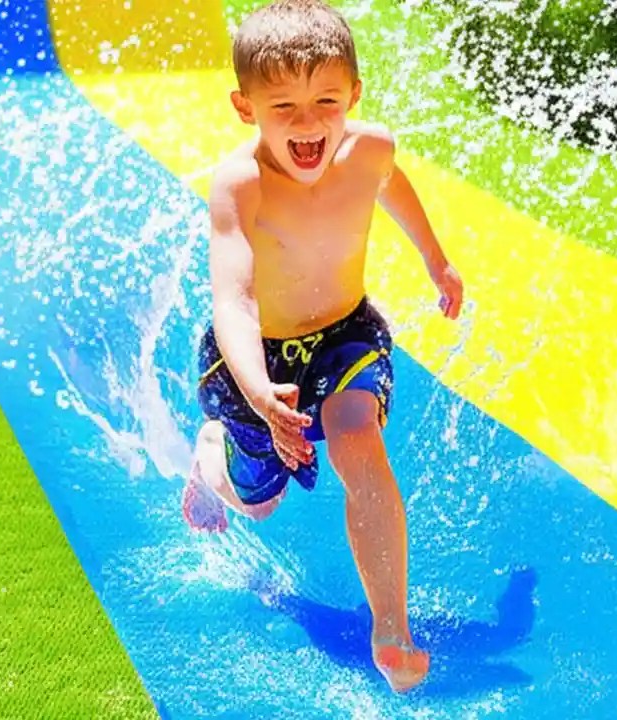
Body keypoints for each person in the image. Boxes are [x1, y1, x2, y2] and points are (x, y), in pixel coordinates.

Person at [179, 0, 463, 691]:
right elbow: (234, 303)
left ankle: (391, 625)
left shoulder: (370, 148)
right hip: (254, 360)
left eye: (325, 101)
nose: (308, 124)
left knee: (358, 437)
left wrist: (436, 259)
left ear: (354, 96)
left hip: (346, 336)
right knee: (259, 503)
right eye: (284, 107)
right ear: (245, 107)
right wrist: (256, 390)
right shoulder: (239, 186)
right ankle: (211, 457)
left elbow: (391, 186)